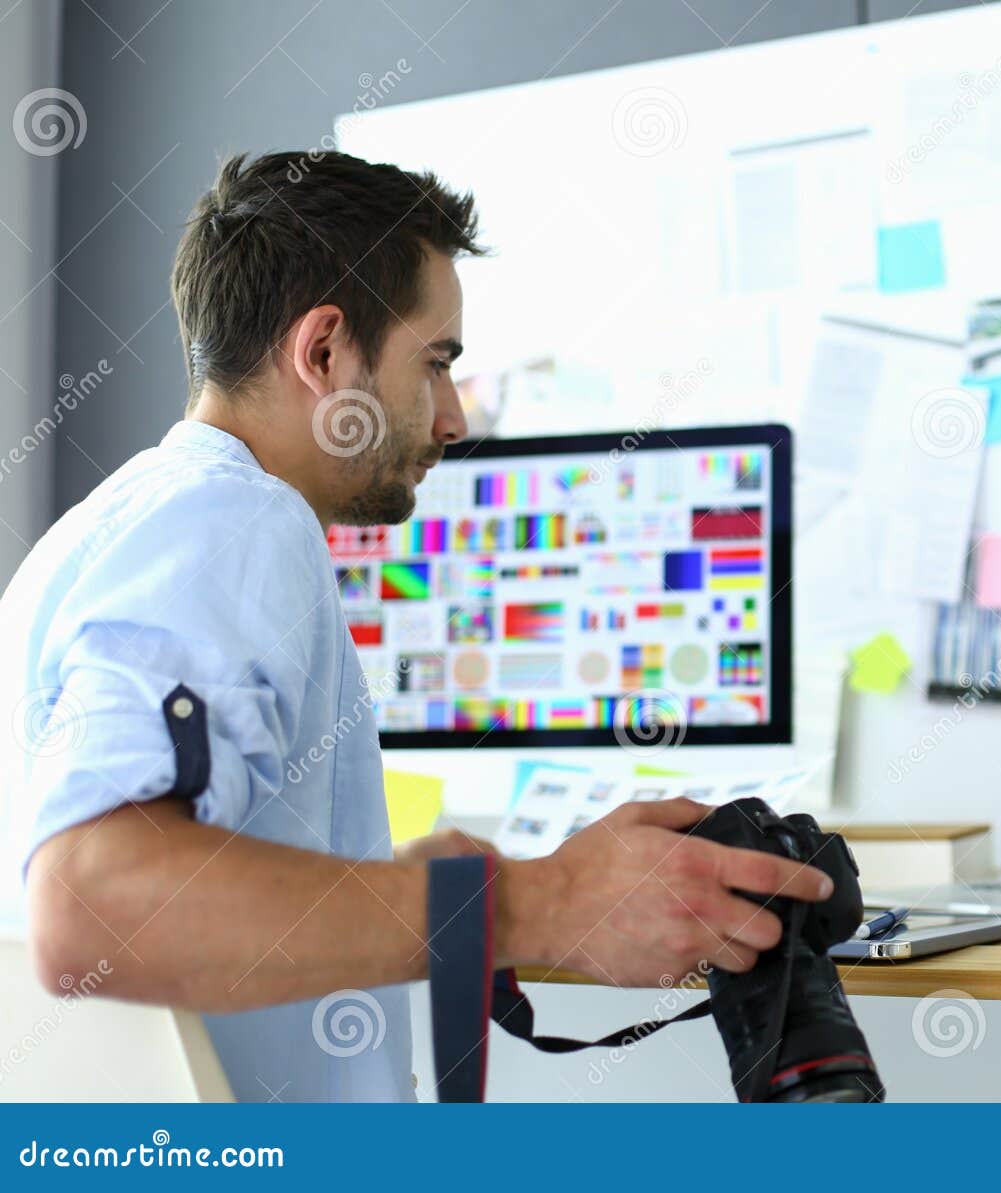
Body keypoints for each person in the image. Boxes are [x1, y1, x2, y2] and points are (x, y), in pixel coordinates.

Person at [0, 151, 831, 1102]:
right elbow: (90, 906)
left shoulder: (92, 536)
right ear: (323, 354)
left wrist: (399, 884)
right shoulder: (242, 525)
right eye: (435, 362)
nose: (450, 416)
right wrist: (536, 905)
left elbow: (145, 866)